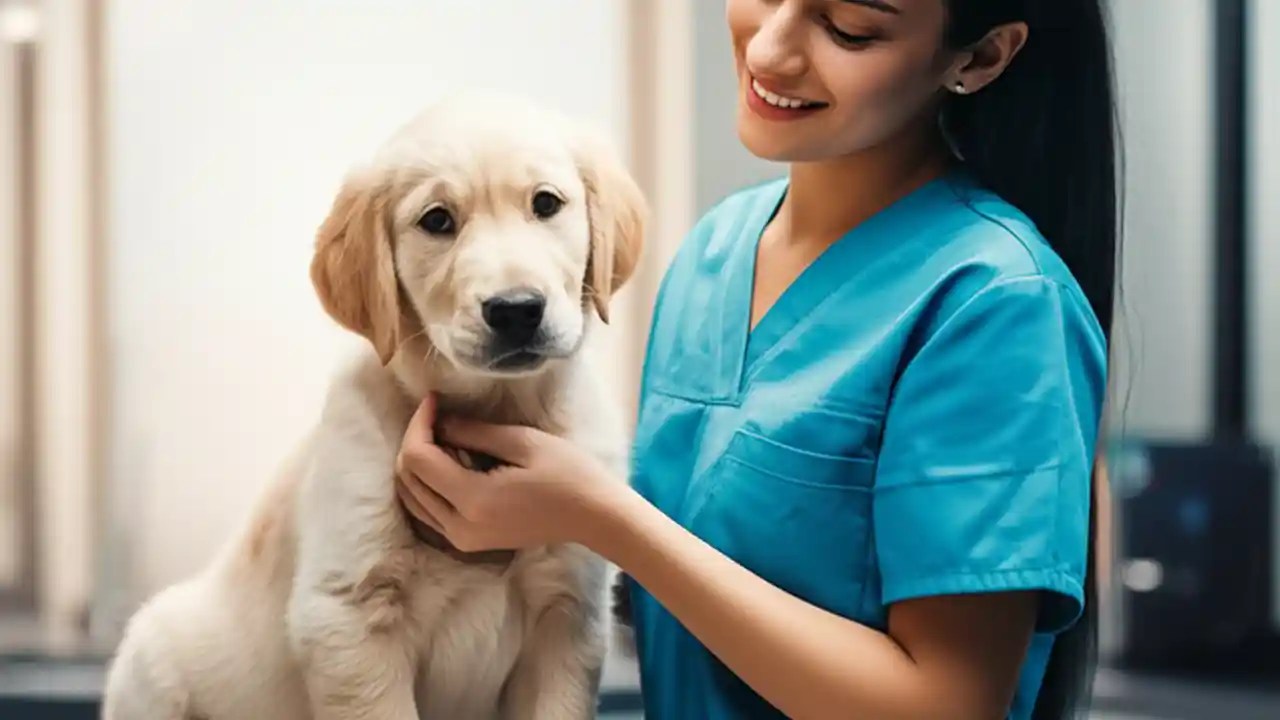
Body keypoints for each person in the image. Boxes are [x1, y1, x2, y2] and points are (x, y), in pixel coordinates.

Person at [394, 0, 1119, 717]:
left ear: (981, 55)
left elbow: (943, 705)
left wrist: (603, 520)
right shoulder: (715, 251)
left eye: (849, 28)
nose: (770, 50)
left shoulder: (997, 303)